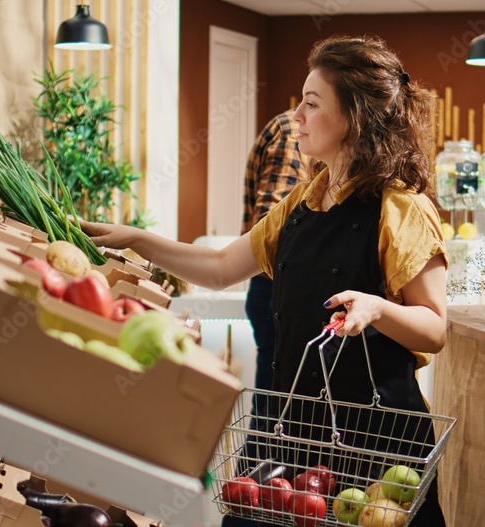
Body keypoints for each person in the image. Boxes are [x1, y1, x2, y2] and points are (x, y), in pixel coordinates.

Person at [81, 35, 449, 526]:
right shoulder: (301, 204)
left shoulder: (401, 208)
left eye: (312, 104)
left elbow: (435, 328)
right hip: (295, 436)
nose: (295, 116)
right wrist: (138, 240)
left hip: (375, 450)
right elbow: (219, 268)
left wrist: (377, 308)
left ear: (354, 118)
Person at [241, 108, 309, 401]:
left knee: (275, 415)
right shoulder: (293, 133)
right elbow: (277, 231)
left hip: (276, 287)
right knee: (272, 420)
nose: (301, 112)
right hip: (276, 288)